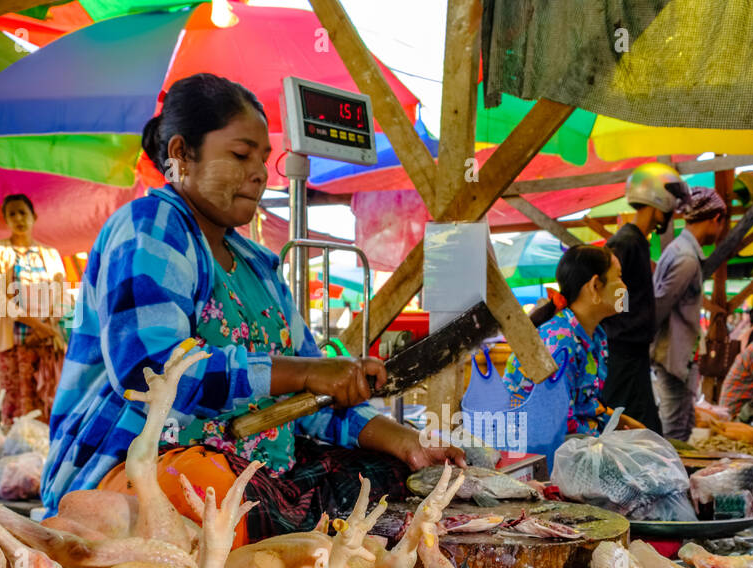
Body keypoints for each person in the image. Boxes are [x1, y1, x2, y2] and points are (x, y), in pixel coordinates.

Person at [42, 73, 461, 538]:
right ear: (182, 154)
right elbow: (152, 376)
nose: (261, 172)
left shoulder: (259, 265)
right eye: (240, 155)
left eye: (263, 159)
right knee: (221, 502)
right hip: (133, 469)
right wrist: (303, 371)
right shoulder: (153, 225)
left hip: (254, 472)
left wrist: (406, 443)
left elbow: (310, 399)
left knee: (381, 478)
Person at [599, 162, 689, 433]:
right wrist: (625, 316)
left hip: (633, 356)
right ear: (658, 198)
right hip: (622, 354)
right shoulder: (625, 243)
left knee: (643, 431)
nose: (672, 212)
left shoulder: (636, 241)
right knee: (630, 431)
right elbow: (610, 295)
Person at [502, 245, 624, 436]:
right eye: (619, 277)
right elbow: (558, 423)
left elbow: (587, 406)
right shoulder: (560, 343)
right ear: (595, 286)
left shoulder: (596, 336)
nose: (625, 287)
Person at [649, 186, 728, 439]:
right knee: (675, 429)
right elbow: (660, 305)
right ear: (716, 218)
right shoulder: (686, 258)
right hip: (673, 355)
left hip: (677, 353)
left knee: (683, 422)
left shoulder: (680, 250)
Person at [0, 194, 69, 425]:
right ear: (5, 220)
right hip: (14, 343)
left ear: (34, 216)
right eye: (12, 214)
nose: (18, 218)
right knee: (17, 402)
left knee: (47, 400)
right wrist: (37, 326)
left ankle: (45, 456)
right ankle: (18, 457)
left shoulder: (50, 255)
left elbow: (63, 297)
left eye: (23, 212)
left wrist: (49, 327)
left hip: (47, 344)